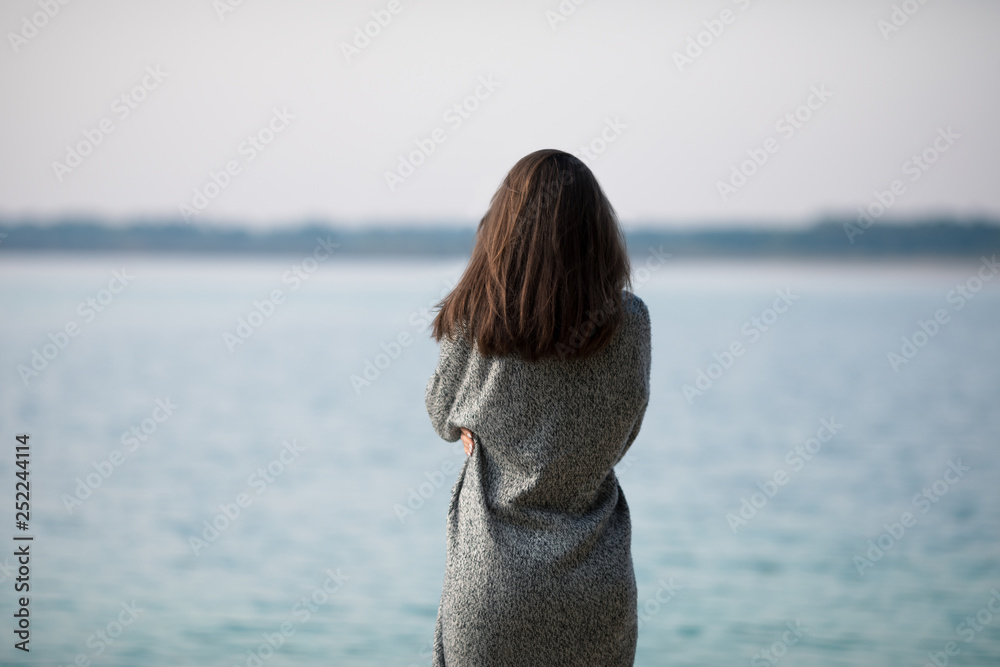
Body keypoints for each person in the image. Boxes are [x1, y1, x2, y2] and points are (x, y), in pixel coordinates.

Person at [425, 148, 652, 666]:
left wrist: (476, 422)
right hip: (596, 586)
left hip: (492, 585)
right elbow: (625, 432)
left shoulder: (476, 313)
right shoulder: (630, 321)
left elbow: (442, 412)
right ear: (598, 230)